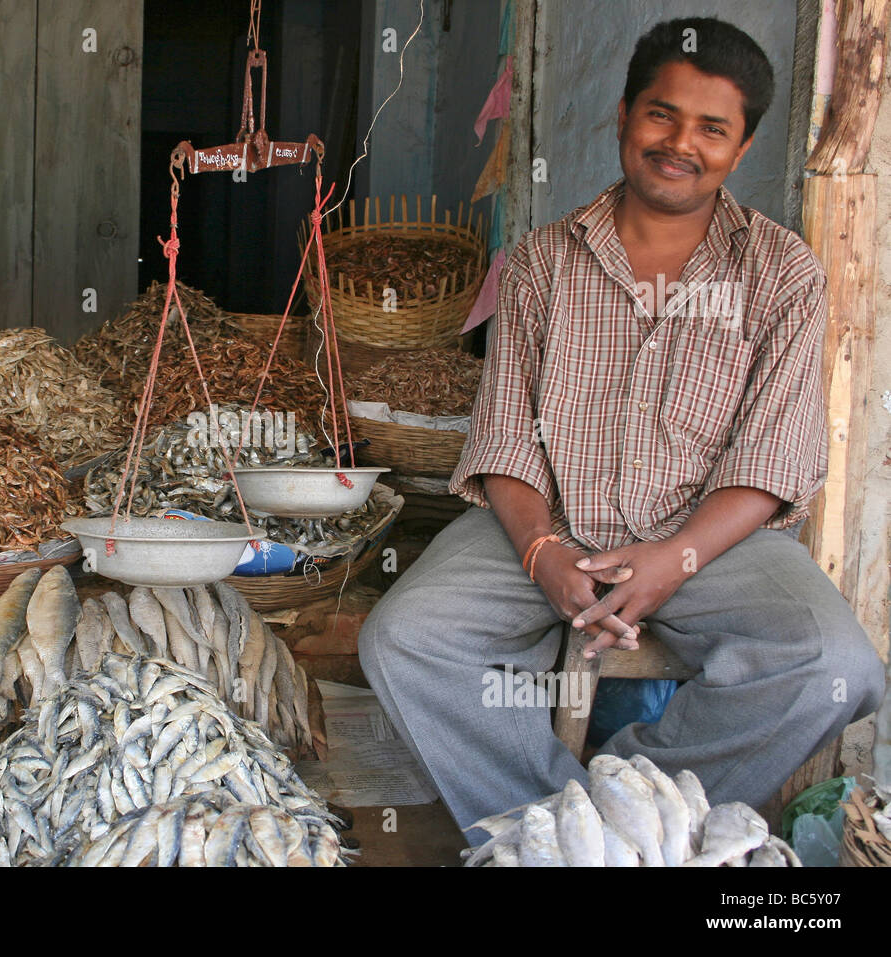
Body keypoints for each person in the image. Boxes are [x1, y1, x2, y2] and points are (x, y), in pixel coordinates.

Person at [358, 16, 885, 836]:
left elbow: (774, 453)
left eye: (712, 129)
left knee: (834, 662)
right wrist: (542, 553)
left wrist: (674, 559)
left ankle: (633, 812)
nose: (680, 143)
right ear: (623, 116)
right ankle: (547, 825)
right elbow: (504, 439)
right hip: (544, 521)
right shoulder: (541, 262)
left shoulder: (782, 272)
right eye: (661, 115)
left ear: (741, 149)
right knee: (405, 638)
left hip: (715, 541)